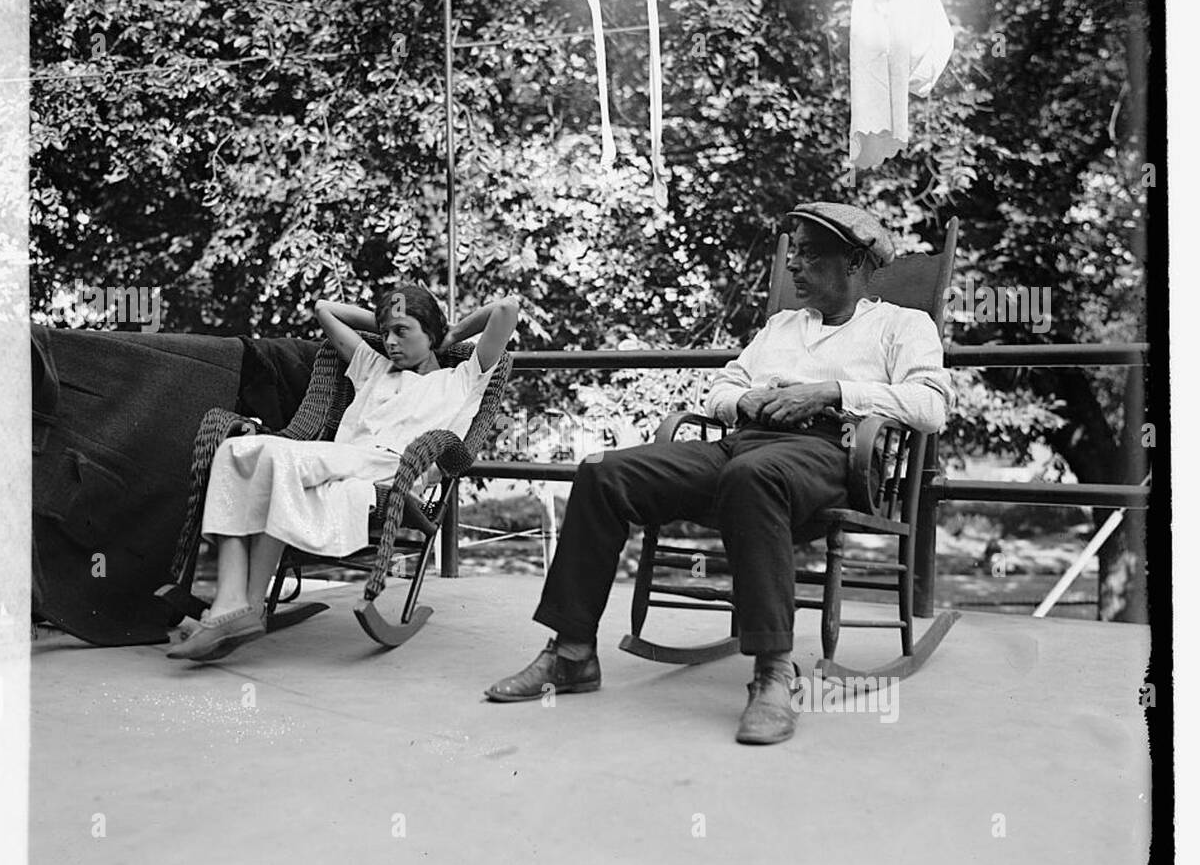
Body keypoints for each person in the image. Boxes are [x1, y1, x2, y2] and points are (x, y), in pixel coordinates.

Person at [484, 202, 952, 745]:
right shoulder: (781, 326)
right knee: (602, 472)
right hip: (743, 444)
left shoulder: (901, 325)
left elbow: (930, 405)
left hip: (832, 453)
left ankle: (775, 673)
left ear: (853, 263)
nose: (793, 265)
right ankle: (571, 654)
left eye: (809, 254)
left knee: (753, 477)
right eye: (792, 251)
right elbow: (721, 390)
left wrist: (830, 392)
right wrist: (750, 400)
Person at [167, 284, 520, 662]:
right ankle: (233, 603)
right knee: (236, 450)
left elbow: (506, 308)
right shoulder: (374, 367)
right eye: (385, 332)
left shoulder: (465, 378)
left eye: (402, 332)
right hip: (338, 459)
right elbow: (324, 309)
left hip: (390, 469)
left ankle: (242, 607)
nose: (390, 342)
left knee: (279, 461)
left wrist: (449, 333)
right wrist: (391, 316)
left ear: (431, 334)